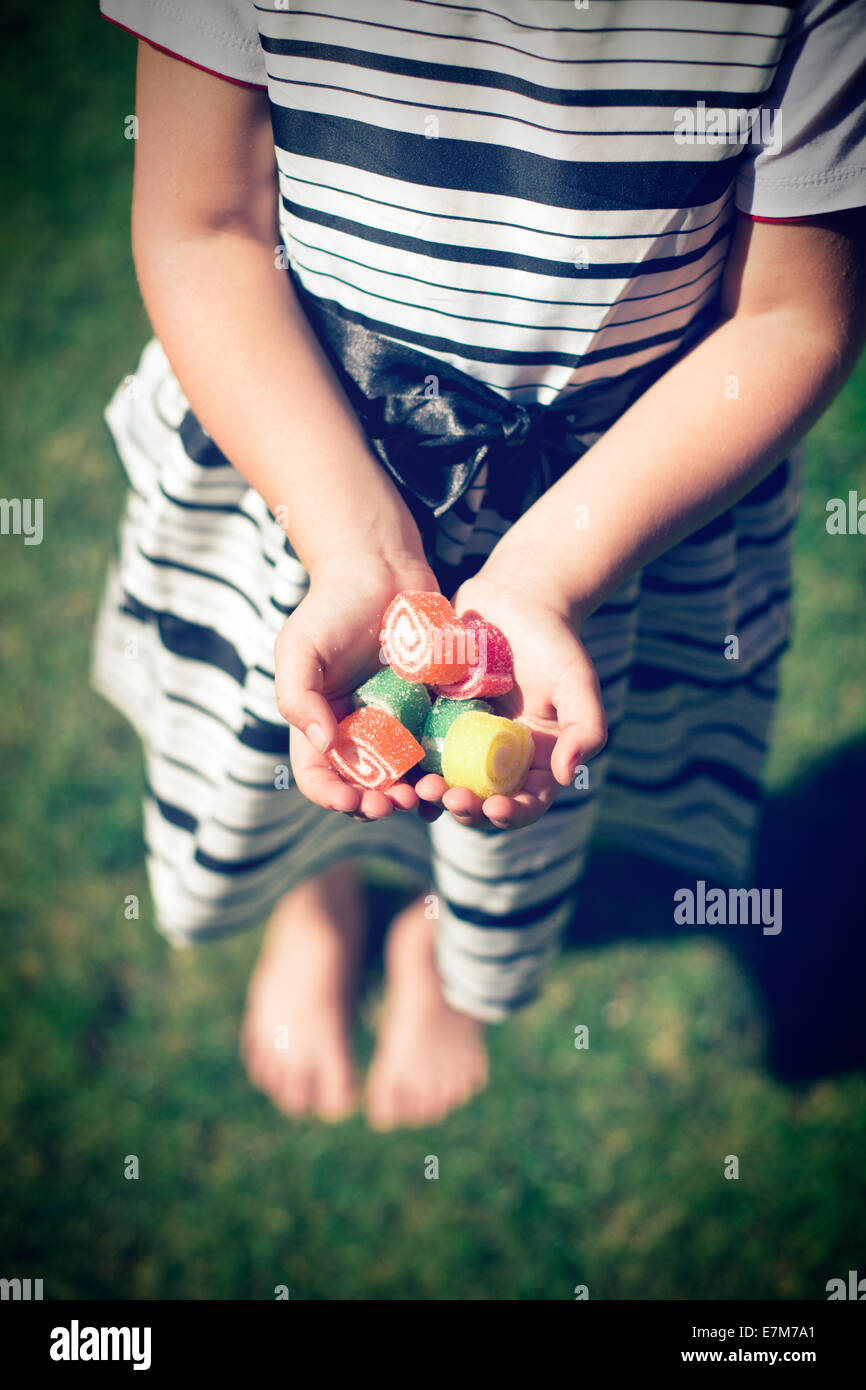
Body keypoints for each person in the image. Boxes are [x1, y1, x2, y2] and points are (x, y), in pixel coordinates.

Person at [93, 0, 866, 1129]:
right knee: (299, 733)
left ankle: (435, 936)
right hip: (299, 457)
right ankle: (318, 900)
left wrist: (545, 572)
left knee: (490, 781)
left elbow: (792, 319)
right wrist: (344, 531)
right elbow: (200, 223)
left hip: (614, 510)